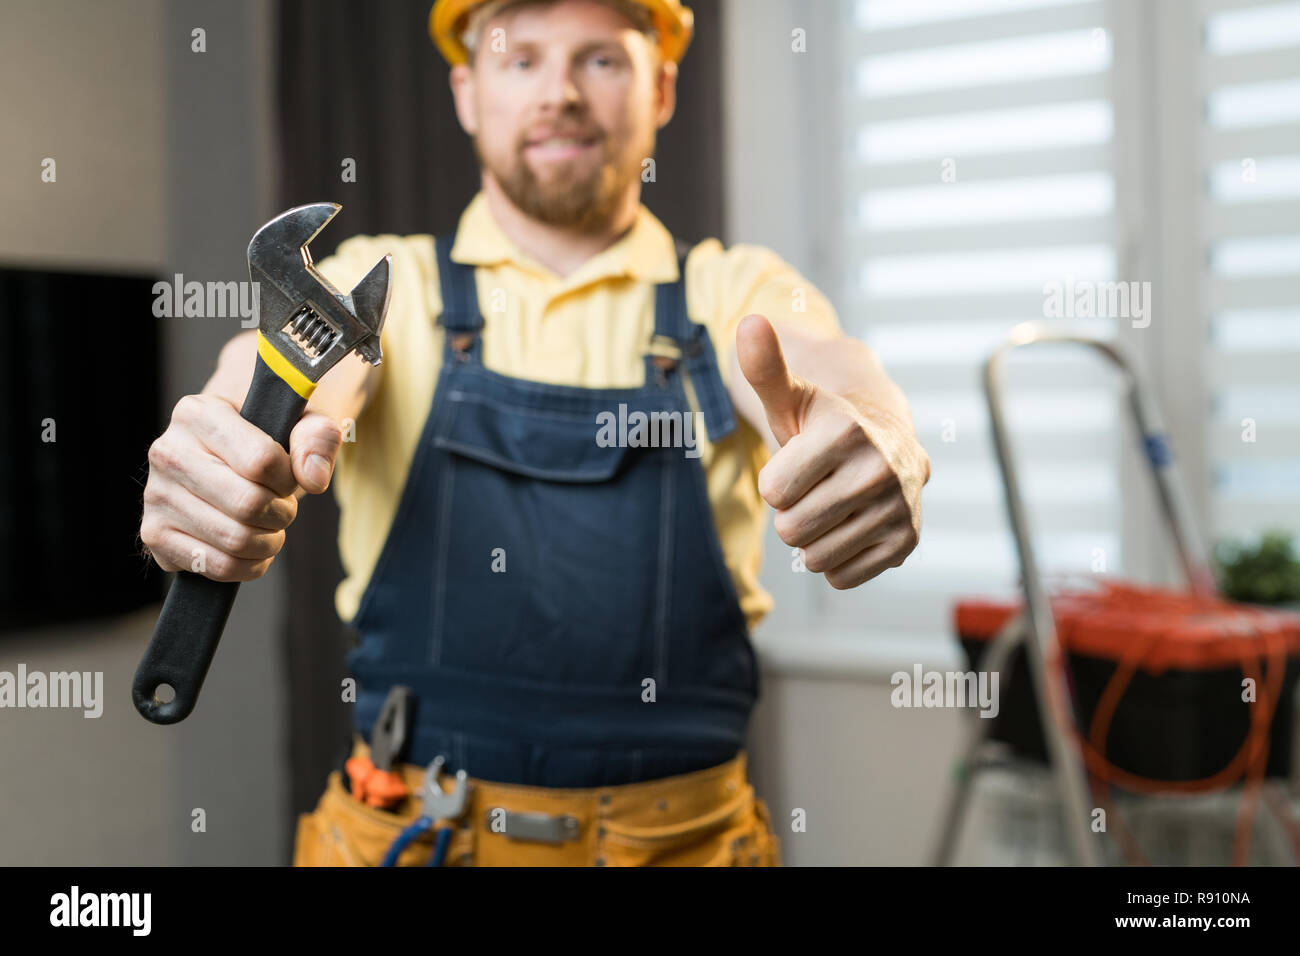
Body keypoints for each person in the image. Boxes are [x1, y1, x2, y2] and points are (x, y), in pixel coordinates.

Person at [139, 0, 930, 866]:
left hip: (684, 846)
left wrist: (880, 427)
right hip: (409, 835)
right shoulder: (382, 286)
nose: (559, 93)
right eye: (520, 61)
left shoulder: (734, 289)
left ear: (661, 88)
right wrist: (217, 452)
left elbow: (830, 365)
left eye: (601, 60)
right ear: (467, 92)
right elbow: (286, 375)